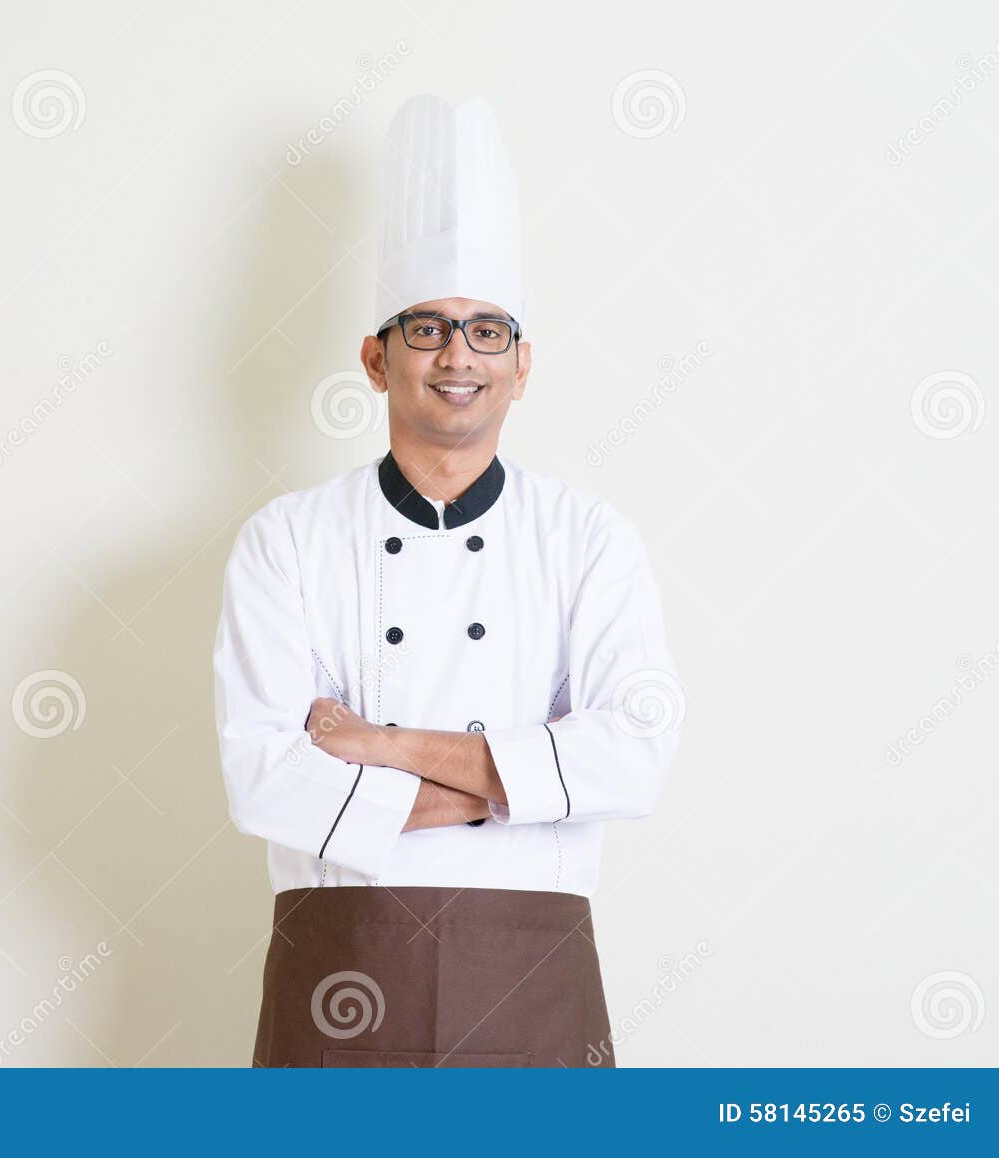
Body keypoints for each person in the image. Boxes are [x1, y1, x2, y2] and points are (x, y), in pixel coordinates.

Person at [212, 94, 685, 1067]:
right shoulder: (286, 539)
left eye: (486, 331)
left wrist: (377, 745)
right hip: (338, 943)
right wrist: (525, 776)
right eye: (424, 329)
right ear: (374, 360)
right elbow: (263, 777)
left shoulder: (586, 537)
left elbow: (633, 751)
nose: (456, 355)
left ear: (522, 366)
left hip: (533, 953)